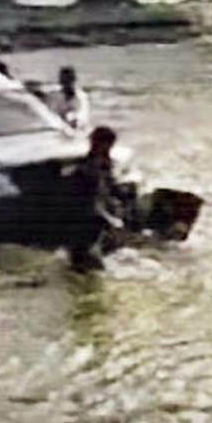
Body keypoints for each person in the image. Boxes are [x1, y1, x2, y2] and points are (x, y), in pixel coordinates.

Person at [63, 126, 125, 273]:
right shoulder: (86, 171)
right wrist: (111, 221)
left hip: (95, 223)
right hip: (86, 224)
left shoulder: (105, 166)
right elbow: (91, 202)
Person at [46, 66, 91, 131]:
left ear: (73, 80)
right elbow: (52, 112)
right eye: (64, 81)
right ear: (61, 82)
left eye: (68, 81)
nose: (66, 84)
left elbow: (83, 114)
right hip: (62, 123)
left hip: (76, 123)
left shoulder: (82, 96)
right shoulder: (55, 95)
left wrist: (74, 120)